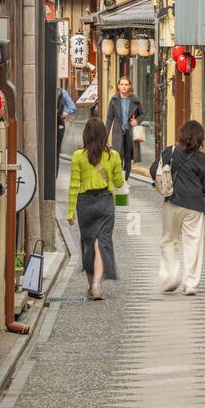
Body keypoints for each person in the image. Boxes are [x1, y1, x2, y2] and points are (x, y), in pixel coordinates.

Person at [151, 120, 205, 296]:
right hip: (194, 205)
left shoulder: (170, 152)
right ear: (200, 138)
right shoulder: (204, 159)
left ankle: (172, 275)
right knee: (193, 243)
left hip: (173, 201)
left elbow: (153, 170)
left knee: (169, 240)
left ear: (182, 134)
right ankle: (190, 283)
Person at [67, 117, 124, 300]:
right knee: (102, 242)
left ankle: (91, 284)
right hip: (105, 201)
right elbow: (118, 182)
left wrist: (70, 212)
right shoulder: (113, 156)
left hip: (85, 203)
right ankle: (98, 285)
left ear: (86, 135)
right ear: (104, 135)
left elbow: (74, 185)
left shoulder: (78, 156)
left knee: (88, 242)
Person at [103, 76, 142, 178]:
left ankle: (126, 179)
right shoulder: (114, 99)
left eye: (126, 84)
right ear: (118, 86)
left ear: (129, 86)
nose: (124, 87)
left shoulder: (135, 99)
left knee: (128, 156)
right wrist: (105, 135)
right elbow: (109, 118)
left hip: (130, 131)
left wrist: (137, 120)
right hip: (117, 132)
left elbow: (142, 113)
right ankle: (119, 178)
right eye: (122, 84)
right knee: (118, 155)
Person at [56, 85, 77, 156]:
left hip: (58, 123)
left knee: (56, 152)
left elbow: (73, 107)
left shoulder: (62, 92)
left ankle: (55, 166)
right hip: (57, 124)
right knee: (55, 152)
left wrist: (65, 113)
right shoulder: (62, 92)